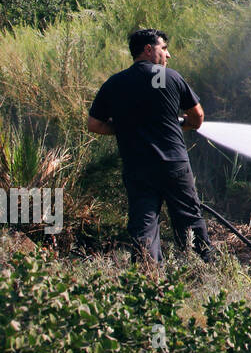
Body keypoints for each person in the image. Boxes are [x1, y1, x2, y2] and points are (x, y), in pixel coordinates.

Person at [87, 28, 213, 266]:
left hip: (137, 168)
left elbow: (94, 124)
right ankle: (204, 270)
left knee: (143, 223)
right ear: (148, 49)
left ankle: (147, 278)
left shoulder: (115, 83)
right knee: (189, 218)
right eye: (164, 48)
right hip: (173, 164)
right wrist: (181, 125)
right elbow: (197, 118)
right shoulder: (171, 77)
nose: (168, 55)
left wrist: (123, 127)